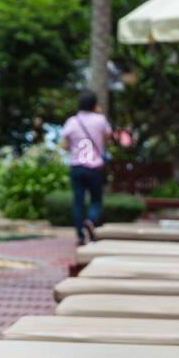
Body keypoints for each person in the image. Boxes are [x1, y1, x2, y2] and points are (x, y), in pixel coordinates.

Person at [59, 90, 113, 246]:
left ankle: (80, 235)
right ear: (94, 104)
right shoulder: (100, 120)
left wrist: (74, 147)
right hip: (95, 167)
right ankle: (91, 220)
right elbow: (108, 136)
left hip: (77, 166)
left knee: (78, 201)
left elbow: (64, 144)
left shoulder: (72, 121)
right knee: (96, 200)